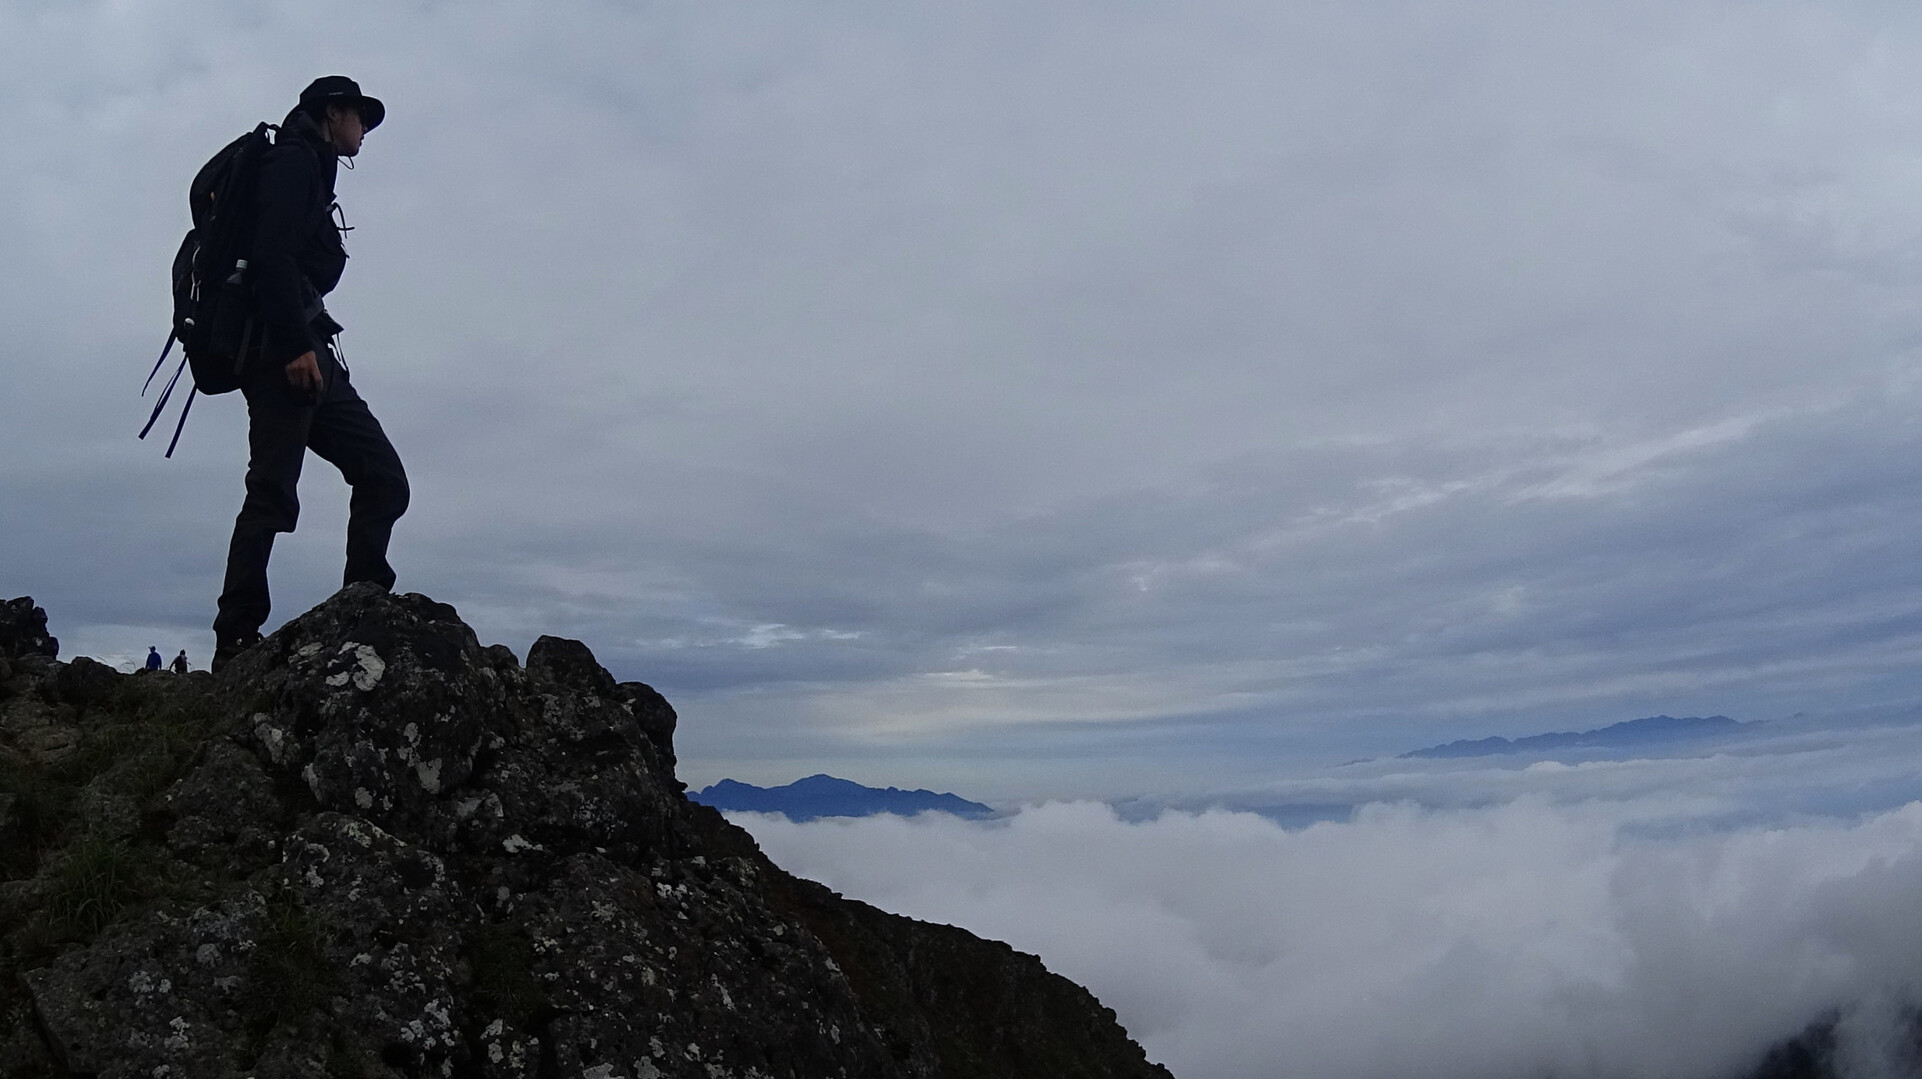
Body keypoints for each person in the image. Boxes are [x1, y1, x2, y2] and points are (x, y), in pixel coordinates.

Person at [211, 76, 409, 673]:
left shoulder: (312, 165)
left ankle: (362, 609)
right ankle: (236, 635)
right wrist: (296, 347)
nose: (365, 131)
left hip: (310, 348)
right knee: (271, 491)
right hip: (283, 353)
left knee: (383, 477)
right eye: (361, 119)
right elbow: (271, 255)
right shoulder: (294, 162)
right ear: (334, 113)